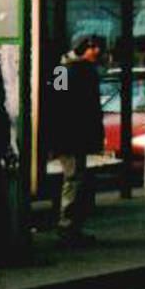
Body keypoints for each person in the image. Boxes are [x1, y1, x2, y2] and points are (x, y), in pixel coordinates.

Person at [49, 35, 105, 245]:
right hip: (72, 135)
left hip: (70, 134)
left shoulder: (64, 70)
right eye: (93, 49)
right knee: (73, 179)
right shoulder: (76, 71)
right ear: (83, 49)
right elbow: (61, 105)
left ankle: (71, 225)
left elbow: (57, 103)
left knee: (75, 178)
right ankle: (68, 225)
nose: (96, 53)